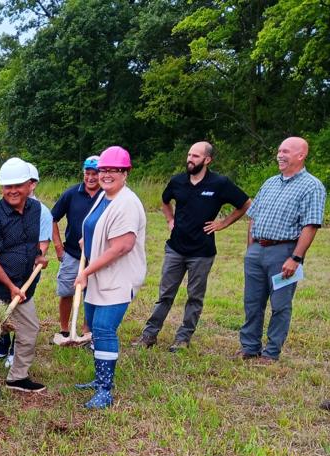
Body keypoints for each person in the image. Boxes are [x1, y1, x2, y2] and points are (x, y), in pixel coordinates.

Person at [134, 142, 250, 351]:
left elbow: (245, 204)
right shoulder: (177, 181)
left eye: (196, 156)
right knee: (165, 294)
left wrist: (222, 223)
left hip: (202, 252)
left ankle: (183, 338)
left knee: (194, 297)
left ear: (207, 160)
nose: (190, 159)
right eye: (189, 155)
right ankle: (149, 335)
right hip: (175, 248)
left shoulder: (220, 183)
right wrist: (170, 220)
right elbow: (165, 201)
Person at [238, 137, 325, 363]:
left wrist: (296, 258)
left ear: (301, 155)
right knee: (252, 302)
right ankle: (250, 347)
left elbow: (311, 225)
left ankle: (271, 352)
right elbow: (253, 216)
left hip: (284, 252)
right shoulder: (270, 182)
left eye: (285, 151)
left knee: (280, 305)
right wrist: (251, 249)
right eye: (279, 150)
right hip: (258, 250)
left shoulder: (311, 186)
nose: (280, 155)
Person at [74, 146, 146, 409]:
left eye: (114, 170)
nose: (106, 174)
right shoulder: (105, 197)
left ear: (125, 173)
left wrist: (86, 271)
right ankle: (98, 379)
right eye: (103, 169)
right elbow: (96, 227)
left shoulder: (127, 203)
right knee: (94, 328)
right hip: (99, 276)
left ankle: (105, 389)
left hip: (117, 278)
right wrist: (87, 241)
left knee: (104, 329)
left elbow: (121, 246)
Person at [0, 159, 48, 404]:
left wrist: (38, 257)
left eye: (18, 185)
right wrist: (10, 286)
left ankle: (18, 376)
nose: (13, 190)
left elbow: (28, 245)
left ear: (30, 185)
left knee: (30, 330)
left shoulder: (36, 210)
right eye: (7, 186)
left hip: (21, 286)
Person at [0, 161, 52, 365]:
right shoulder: (5, 209)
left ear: (32, 184)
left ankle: (14, 350)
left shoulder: (41, 211)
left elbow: (43, 244)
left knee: (21, 307)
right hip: (5, 266)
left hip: (27, 270)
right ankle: (1, 344)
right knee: (2, 304)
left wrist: (34, 262)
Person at [50, 156, 102, 340]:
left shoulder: (107, 196)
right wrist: (58, 246)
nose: (91, 178)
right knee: (66, 292)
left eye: (95, 174)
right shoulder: (71, 194)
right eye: (87, 173)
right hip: (72, 253)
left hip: (97, 256)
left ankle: (86, 330)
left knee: (92, 294)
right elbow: (52, 218)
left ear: (101, 174)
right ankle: (64, 329)